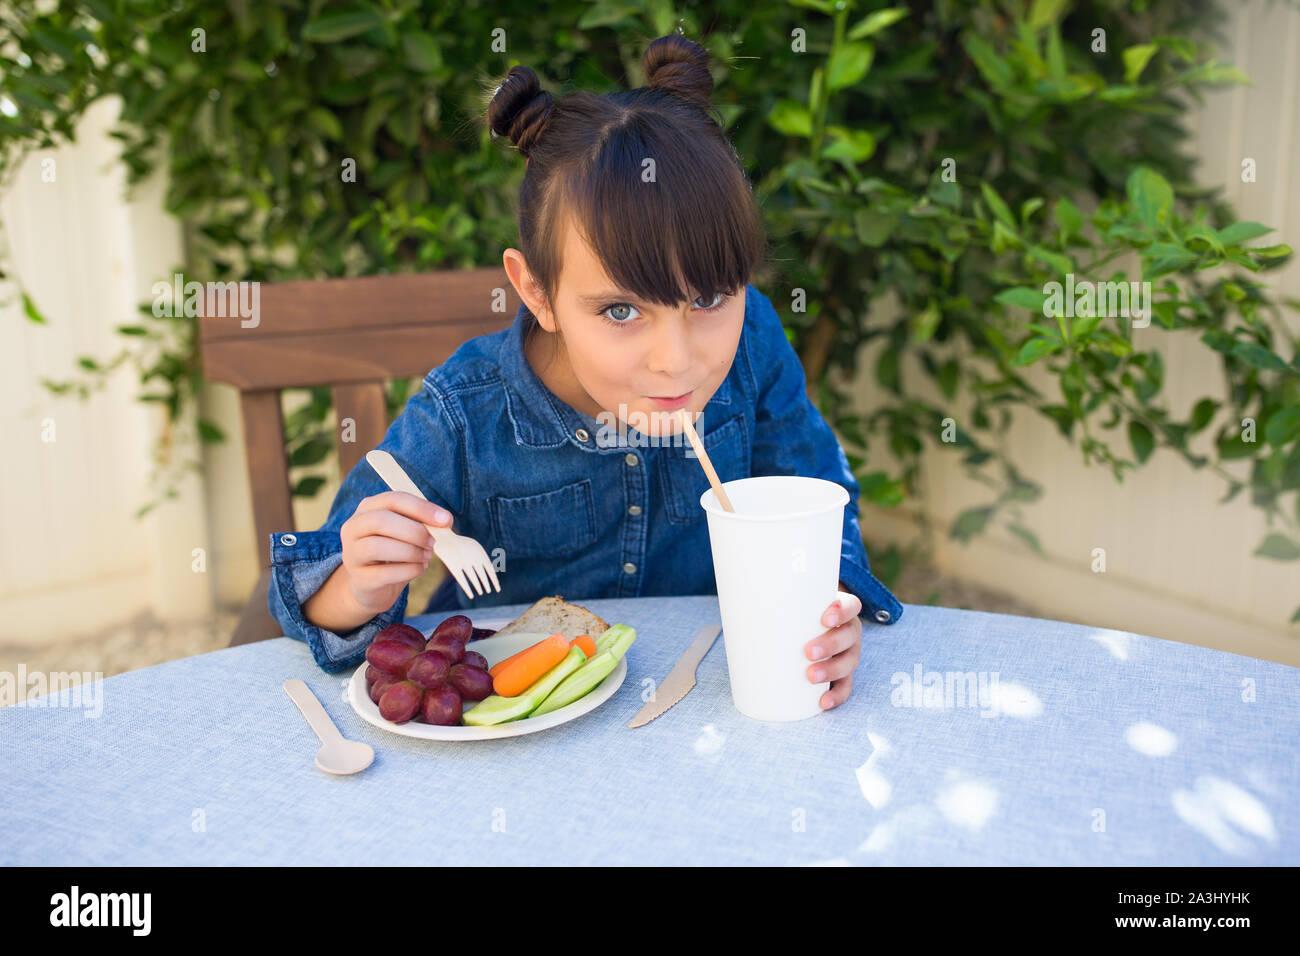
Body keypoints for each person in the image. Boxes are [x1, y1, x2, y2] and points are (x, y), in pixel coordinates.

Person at [267, 34, 904, 709]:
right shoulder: (466, 411)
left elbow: (820, 500)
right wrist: (357, 588)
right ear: (537, 292)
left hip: (704, 711)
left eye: (709, 299)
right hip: (512, 737)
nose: (677, 359)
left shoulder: (753, 345)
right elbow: (315, 595)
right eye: (622, 310)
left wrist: (832, 607)